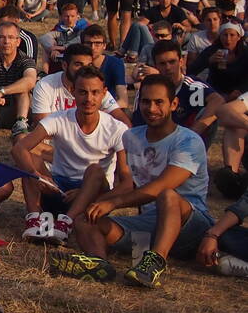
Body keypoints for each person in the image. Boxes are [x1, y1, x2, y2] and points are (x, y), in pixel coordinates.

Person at [51, 75, 214, 289]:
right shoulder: (132, 137)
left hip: (191, 225)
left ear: (173, 104)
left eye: (159, 102)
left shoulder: (188, 141)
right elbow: (131, 184)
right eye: (146, 102)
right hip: (151, 222)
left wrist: (113, 203)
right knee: (85, 220)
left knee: (167, 196)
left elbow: (161, 187)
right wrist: (98, 202)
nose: (151, 108)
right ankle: (99, 262)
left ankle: (154, 262)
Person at [15, 67, 129, 244]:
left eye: (95, 92)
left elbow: (126, 181)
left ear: (104, 94)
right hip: (58, 187)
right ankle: (35, 220)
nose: (89, 99)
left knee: (96, 170)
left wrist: (96, 197)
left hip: (93, 195)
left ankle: (65, 224)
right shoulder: (59, 119)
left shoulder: (116, 128)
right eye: (83, 92)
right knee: (29, 159)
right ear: (73, 92)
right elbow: (19, 148)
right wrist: (36, 175)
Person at [0, 21, 38, 136]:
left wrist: (1, 92)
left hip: (15, 108)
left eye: (11, 37)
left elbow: (30, 80)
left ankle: (21, 123)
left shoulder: (25, 60)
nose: (6, 42)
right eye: (1, 37)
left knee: (23, 89)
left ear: (18, 41)